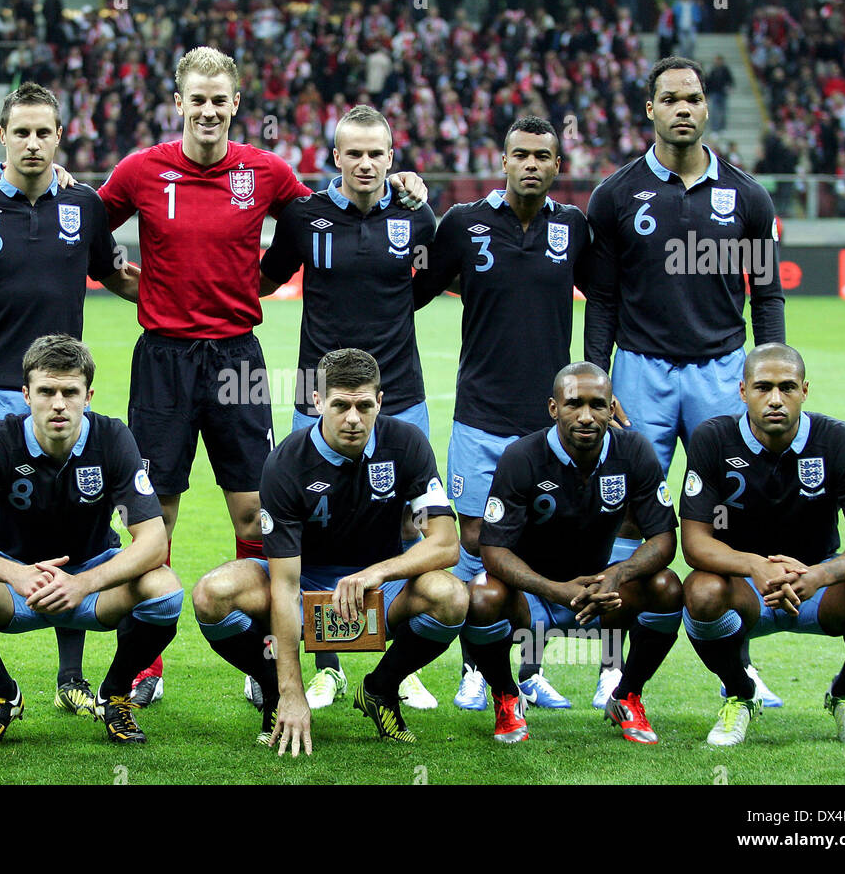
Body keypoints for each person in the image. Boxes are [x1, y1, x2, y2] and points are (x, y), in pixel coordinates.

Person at [89, 47, 426, 706]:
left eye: (221, 99)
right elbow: (82, 225)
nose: (209, 110)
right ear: (178, 103)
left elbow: (325, 215)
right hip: (161, 356)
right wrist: (126, 283)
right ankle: (148, 661)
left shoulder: (267, 172)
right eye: (198, 99)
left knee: (253, 506)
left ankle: (266, 650)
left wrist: (396, 183)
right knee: (157, 510)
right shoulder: (140, 170)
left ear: (236, 104)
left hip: (237, 358)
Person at [0, 82, 139, 722]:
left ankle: (71, 678)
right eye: (19, 131)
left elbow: (115, 275)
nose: (31, 142)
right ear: (1, 136)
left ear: (59, 137)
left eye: (42, 132)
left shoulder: (85, 204)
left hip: (59, 392)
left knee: (71, 524)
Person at [584, 56, 786, 708]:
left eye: (693, 98)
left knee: (726, 522)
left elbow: (769, 293)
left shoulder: (748, 196)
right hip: (641, 369)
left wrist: (770, 367)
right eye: (669, 98)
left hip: (723, 373)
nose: (683, 108)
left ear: (705, 109)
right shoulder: (616, 195)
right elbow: (604, 299)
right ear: (650, 109)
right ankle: (609, 665)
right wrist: (597, 375)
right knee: (621, 514)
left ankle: (740, 668)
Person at [191, 349, 467, 755]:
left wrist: (376, 574)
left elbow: (446, 542)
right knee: (212, 594)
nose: (353, 418)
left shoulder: (406, 444)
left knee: (452, 596)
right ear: (318, 402)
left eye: (363, 405)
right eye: (340, 405)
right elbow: (283, 586)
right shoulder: (286, 463)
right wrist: (291, 690)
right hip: (302, 586)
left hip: (378, 591)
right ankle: (274, 697)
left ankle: (381, 689)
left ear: (380, 401)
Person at [258, 104, 438, 714]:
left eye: (376, 153)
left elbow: (431, 281)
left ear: (393, 157)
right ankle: (327, 664)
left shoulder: (415, 215)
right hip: (320, 397)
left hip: (401, 395)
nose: (365, 163)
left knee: (409, 524)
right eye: (353, 152)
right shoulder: (306, 216)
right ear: (335, 158)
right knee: (315, 525)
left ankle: (398, 667)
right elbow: (262, 278)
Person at [413, 114, 589, 712]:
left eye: (544, 155)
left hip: (548, 421)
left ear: (557, 166)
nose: (532, 164)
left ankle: (532, 669)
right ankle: (476, 667)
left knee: (534, 544)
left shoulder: (574, 228)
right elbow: (410, 293)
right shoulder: (463, 225)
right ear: (504, 161)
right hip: (480, 414)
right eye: (522, 154)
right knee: (474, 538)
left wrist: (596, 382)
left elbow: (610, 298)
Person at [0, 335, 183, 745]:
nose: (59, 403)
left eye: (70, 391)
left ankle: (115, 693)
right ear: (27, 395)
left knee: (165, 591)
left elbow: (153, 541)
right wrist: (15, 574)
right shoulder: (0, 439)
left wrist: (83, 582)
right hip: (15, 587)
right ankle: (0, 692)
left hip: (90, 585)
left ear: (89, 395)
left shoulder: (112, 437)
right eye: (47, 391)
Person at [680, 344, 845, 746]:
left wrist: (819, 575)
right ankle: (740, 694)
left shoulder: (840, 440)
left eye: (787, 387)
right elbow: (695, 543)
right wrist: (753, 565)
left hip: (818, 587)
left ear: (805, 391)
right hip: (745, 589)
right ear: (743, 391)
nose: (776, 399)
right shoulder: (713, 439)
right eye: (763, 388)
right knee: (701, 590)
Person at [470, 362, 683, 744]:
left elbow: (664, 538)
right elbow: (493, 549)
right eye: (574, 404)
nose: (586, 416)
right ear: (554, 408)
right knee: (482, 595)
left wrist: (616, 575)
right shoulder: (522, 456)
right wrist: (554, 589)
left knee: (667, 587)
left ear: (612, 407)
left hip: (604, 594)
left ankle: (627, 696)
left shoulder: (634, 451)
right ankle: (506, 697)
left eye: (597, 405)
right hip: (534, 597)